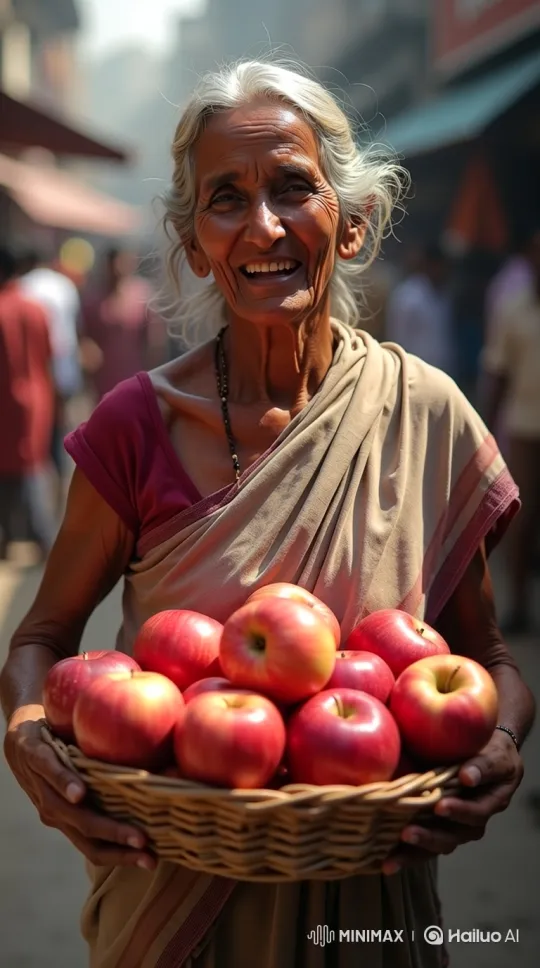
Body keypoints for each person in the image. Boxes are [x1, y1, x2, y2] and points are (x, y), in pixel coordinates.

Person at [0, 60, 535, 968]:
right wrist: (28, 743)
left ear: (353, 219)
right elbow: (39, 638)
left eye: (294, 188)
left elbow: (485, 662)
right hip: (167, 908)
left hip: (373, 907)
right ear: (193, 236)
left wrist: (504, 745)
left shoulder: (425, 412)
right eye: (226, 199)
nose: (264, 227)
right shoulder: (137, 426)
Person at [481, 228, 540, 635]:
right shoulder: (513, 307)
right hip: (524, 428)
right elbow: (498, 373)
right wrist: (485, 437)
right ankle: (519, 605)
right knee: (521, 522)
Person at [0, 245, 56, 560]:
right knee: (34, 466)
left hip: (5, 401)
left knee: (17, 473)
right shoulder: (35, 308)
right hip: (38, 398)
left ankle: (34, 538)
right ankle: (37, 539)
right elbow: (50, 354)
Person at [18, 246, 83, 489]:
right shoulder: (64, 286)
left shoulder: (23, 286)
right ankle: (58, 499)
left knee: (32, 442)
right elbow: (75, 333)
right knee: (58, 439)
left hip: (30, 375)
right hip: (63, 373)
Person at [80, 246, 165, 402]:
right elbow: (84, 338)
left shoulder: (142, 295)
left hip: (134, 374)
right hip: (104, 377)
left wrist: (152, 374)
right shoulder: (93, 299)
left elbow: (154, 341)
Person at [385, 243, 455, 375]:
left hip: (441, 372)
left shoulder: (443, 294)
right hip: (414, 372)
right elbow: (397, 338)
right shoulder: (408, 296)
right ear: (429, 265)